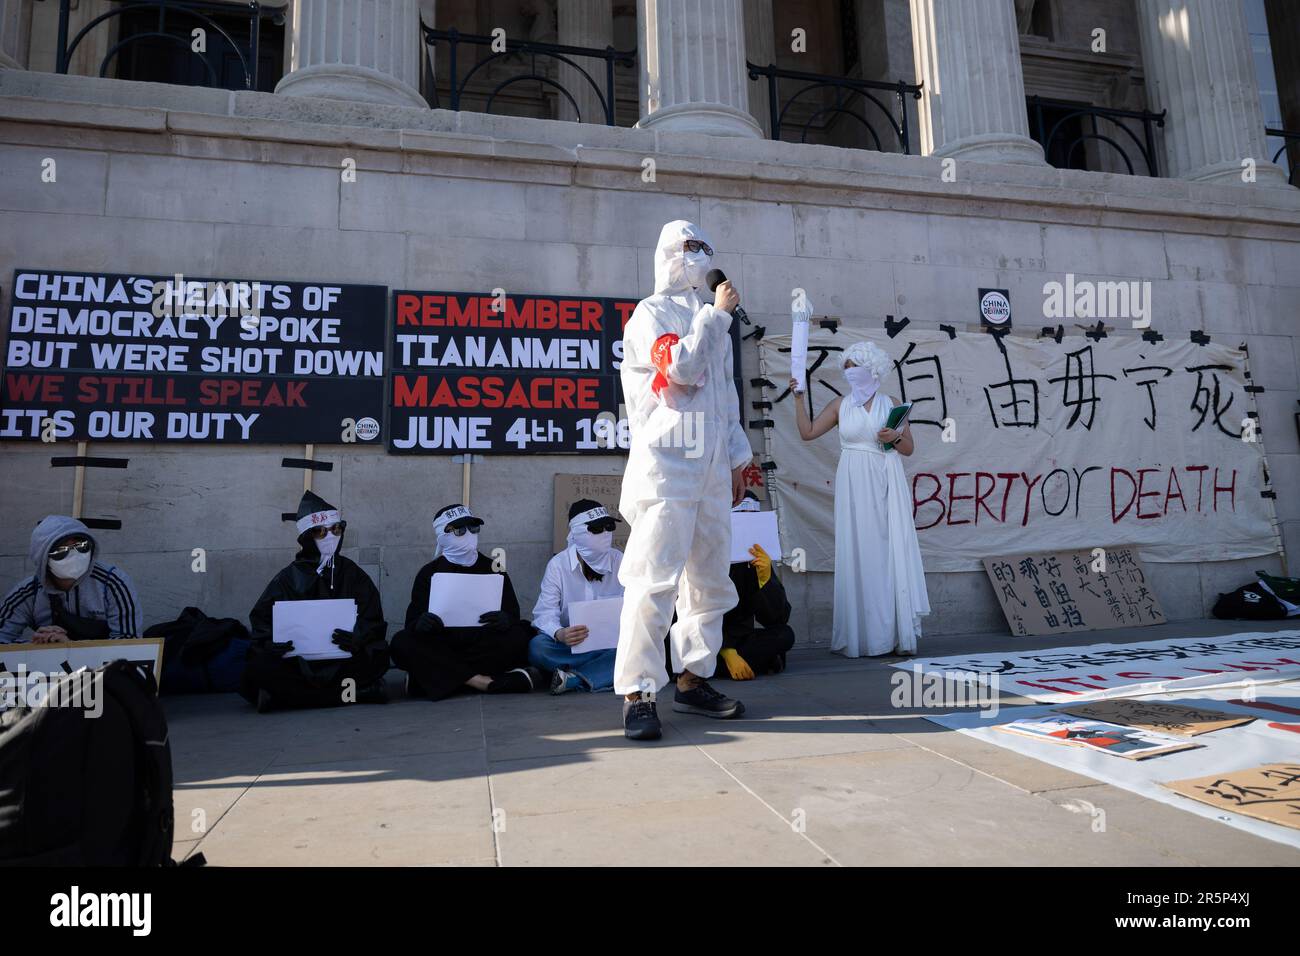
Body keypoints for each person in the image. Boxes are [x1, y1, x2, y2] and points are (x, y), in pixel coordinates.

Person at [615, 220, 752, 740]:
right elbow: (680, 371)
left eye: (703, 247)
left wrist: (739, 459)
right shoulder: (651, 315)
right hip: (668, 468)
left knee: (710, 585)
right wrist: (718, 318)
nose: (697, 256)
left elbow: (724, 398)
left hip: (712, 469)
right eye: (688, 247)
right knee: (653, 582)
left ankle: (694, 681)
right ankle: (639, 692)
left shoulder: (707, 315)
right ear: (668, 255)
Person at [790, 340, 930, 657]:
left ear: (872, 369)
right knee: (860, 547)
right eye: (847, 367)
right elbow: (808, 433)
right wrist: (799, 400)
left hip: (886, 476)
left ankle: (894, 633)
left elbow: (908, 449)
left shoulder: (891, 403)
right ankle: (863, 635)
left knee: (888, 548)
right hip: (853, 478)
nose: (850, 372)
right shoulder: (841, 405)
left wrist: (894, 436)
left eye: (856, 367)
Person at [240, 491, 390, 712]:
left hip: (343, 658)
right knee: (254, 669)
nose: (331, 537)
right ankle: (354, 694)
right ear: (306, 538)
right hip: (297, 662)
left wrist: (359, 637)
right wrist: (271, 644)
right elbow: (261, 622)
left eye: (336, 529)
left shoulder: (353, 574)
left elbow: (373, 618)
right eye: (320, 532)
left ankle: (287, 699)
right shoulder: (286, 578)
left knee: (380, 655)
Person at [390, 504, 541, 700]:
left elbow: (512, 613)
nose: (469, 534)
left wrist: (505, 619)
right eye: (460, 530)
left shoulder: (493, 567)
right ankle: (485, 682)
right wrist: (422, 623)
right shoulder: (429, 572)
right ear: (442, 536)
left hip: (483, 642)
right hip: (444, 644)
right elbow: (411, 623)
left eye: (474, 528)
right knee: (401, 642)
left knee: (524, 633)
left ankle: (436, 680)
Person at [528, 499, 623, 694]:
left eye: (609, 526)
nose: (605, 533)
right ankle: (599, 674)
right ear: (578, 532)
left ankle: (572, 678)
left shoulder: (620, 560)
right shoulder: (558, 566)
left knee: (637, 649)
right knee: (538, 647)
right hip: (569, 646)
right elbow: (544, 613)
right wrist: (559, 633)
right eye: (596, 528)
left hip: (611, 644)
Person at [0, 515, 141, 643]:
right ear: (43, 558)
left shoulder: (113, 584)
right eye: (61, 551)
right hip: (48, 669)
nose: (74, 556)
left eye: (81, 546)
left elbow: (129, 641)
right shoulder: (28, 593)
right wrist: (38, 645)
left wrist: (71, 648)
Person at [717, 493, 795, 679]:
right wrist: (726, 649)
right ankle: (733, 662)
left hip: (741, 638)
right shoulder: (708, 556)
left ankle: (719, 667)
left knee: (785, 635)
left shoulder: (756, 560)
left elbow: (777, 619)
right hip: (706, 638)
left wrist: (766, 579)